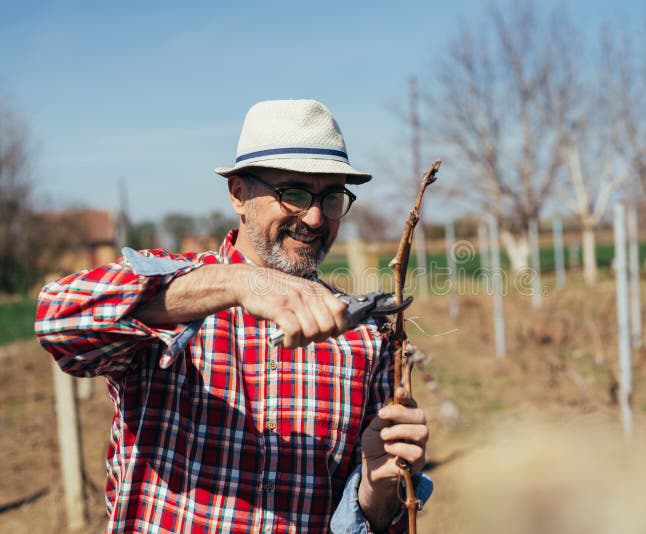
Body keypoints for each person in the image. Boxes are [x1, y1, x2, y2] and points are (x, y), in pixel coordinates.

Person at [36, 99, 432, 533]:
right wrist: (238, 284)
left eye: (332, 197)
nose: (315, 217)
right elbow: (56, 320)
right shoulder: (169, 290)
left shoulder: (364, 337)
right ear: (238, 194)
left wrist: (376, 488)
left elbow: (374, 519)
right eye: (294, 193)